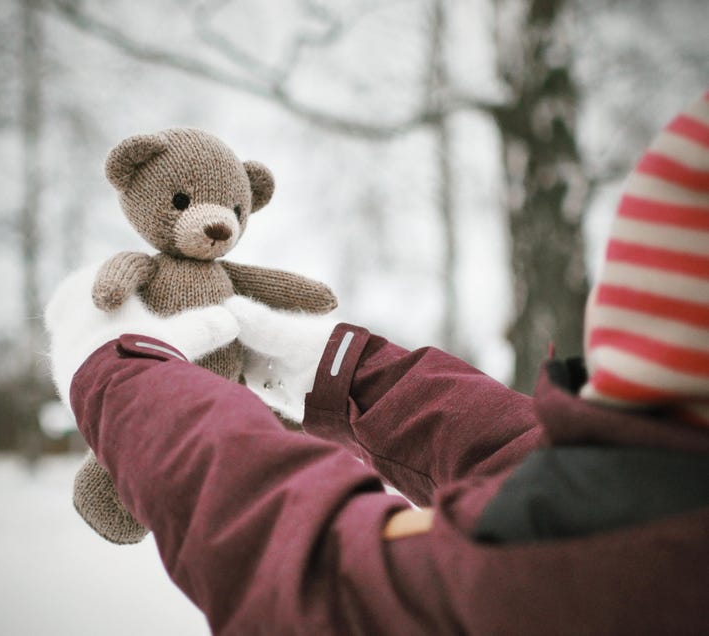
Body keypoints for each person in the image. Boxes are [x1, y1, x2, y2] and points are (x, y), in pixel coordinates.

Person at [45, 92, 709, 635]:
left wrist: (119, 376)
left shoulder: (637, 544)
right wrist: (340, 370)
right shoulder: (668, 490)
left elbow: (329, 581)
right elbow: (534, 462)